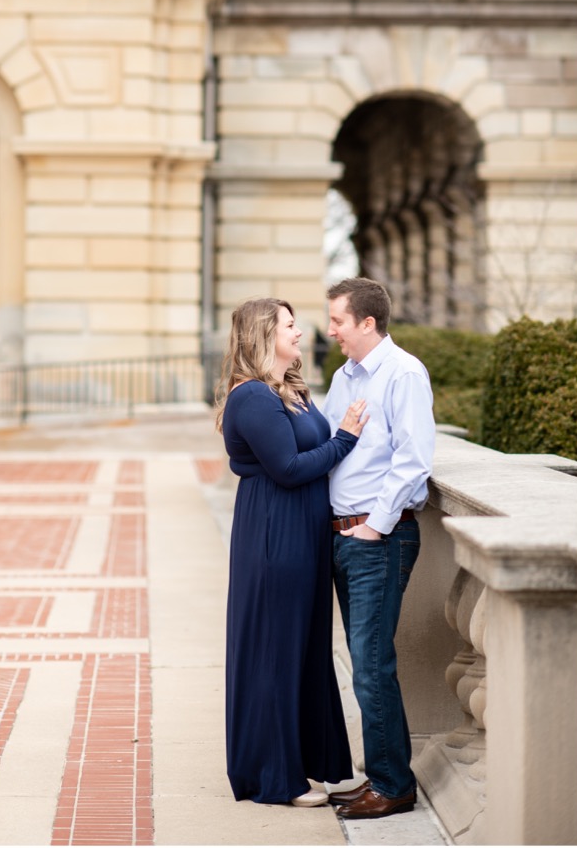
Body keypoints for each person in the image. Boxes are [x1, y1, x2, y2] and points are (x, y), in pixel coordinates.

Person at [215, 297, 369, 806]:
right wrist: (345, 437)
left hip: (303, 533)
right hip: (273, 534)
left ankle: (309, 763)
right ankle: (276, 778)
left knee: (304, 648)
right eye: (289, 324)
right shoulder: (254, 397)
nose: (300, 332)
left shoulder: (292, 392)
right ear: (264, 334)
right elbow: (288, 468)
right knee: (276, 651)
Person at [321, 277, 435, 820]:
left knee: (370, 665)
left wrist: (374, 528)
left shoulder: (404, 373)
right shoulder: (343, 377)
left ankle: (392, 785)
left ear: (367, 322)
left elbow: (413, 459)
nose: (330, 330)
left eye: (338, 320)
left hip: (378, 540)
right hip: (343, 535)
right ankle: (382, 776)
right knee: (362, 662)